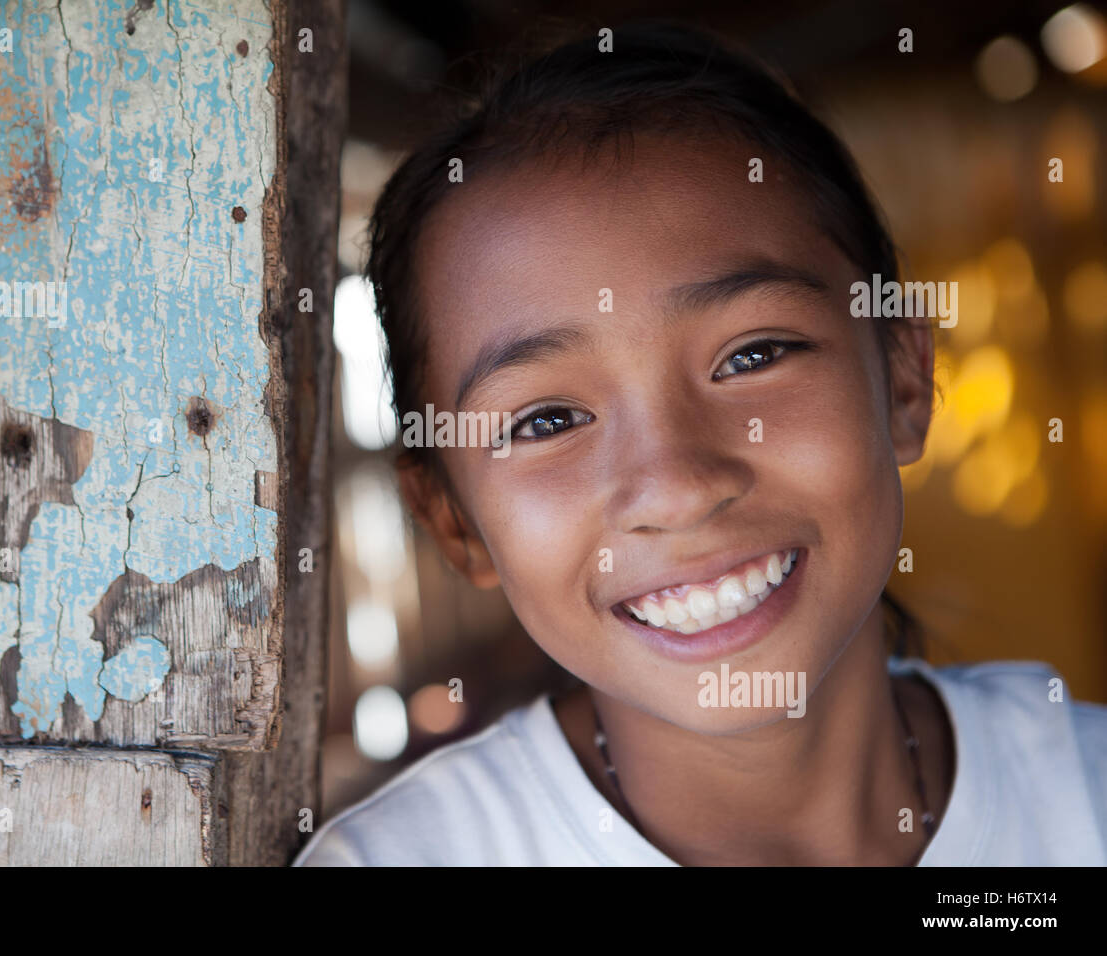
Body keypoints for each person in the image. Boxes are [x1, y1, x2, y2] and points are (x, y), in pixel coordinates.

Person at [294, 22, 1107, 866]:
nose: (677, 486)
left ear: (902, 379)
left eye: (751, 356)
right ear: (452, 521)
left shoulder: (1086, 797)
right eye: (545, 420)